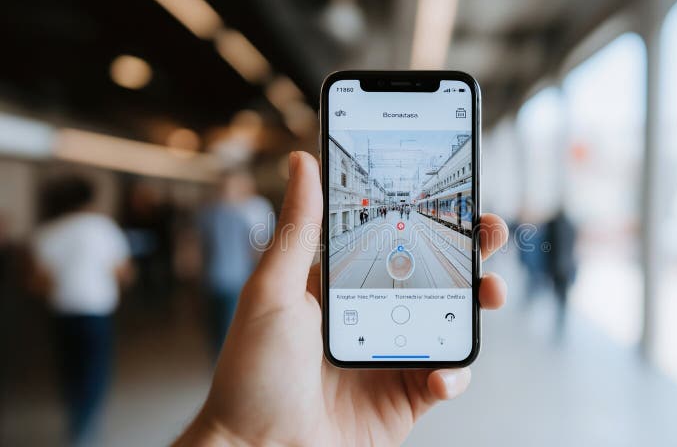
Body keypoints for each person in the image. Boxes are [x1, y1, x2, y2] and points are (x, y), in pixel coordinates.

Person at [174, 152, 508, 446]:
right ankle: (221, 361)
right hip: (224, 281)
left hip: (224, 281)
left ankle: (219, 360)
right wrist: (240, 435)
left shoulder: (220, 212)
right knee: (227, 324)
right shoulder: (228, 213)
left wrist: (237, 437)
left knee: (226, 323)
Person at [31, 175, 132, 446]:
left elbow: (39, 281)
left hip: (62, 309)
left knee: (69, 367)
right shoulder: (102, 227)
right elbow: (123, 272)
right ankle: (86, 424)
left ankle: (76, 415)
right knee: (95, 369)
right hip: (97, 308)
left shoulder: (47, 231)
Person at [198, 169, 275, 358]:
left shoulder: (255, 208)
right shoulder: (211, 210)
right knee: (216, 324)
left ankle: (230, 360)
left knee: (231, 324)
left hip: (240, 276)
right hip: (213, 277)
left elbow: (261, 244)